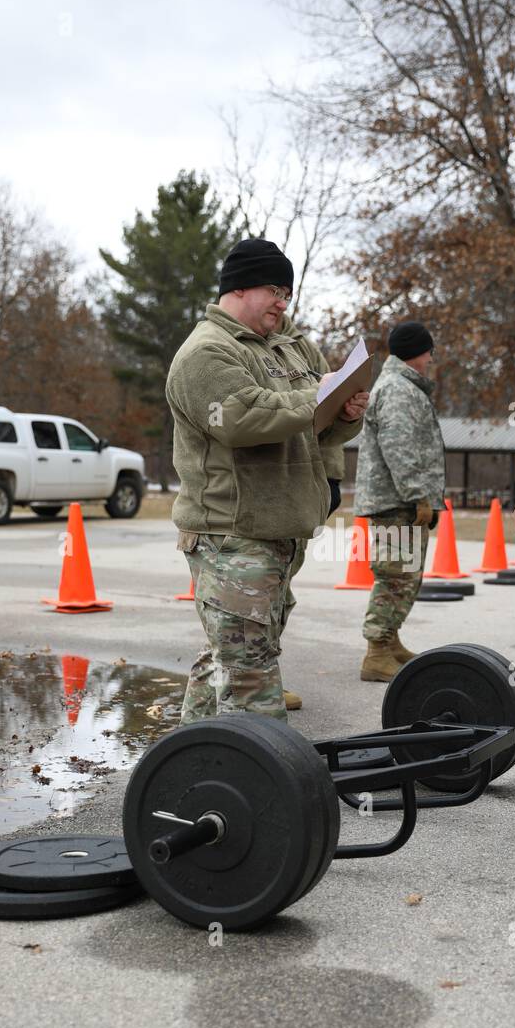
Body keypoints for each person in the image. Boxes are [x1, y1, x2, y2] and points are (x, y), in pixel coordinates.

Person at [166, 237, 367, 722]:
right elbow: (240, 419)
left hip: (280, 531)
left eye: (288, 293)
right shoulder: (205, 354)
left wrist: (346, 412)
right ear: (239, 287)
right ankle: (254, 789)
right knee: (251, 680)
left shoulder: (294, 347)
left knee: (230, 659)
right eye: (275, 289)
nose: (283, 301)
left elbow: (317, 432)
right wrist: (317, 396)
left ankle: (186, 761)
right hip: (232, 536)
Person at [354, 321, 445, 681]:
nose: (431, 359)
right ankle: (376, 652)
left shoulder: (404, 387)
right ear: (416, 353)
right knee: (395, 577)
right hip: (396, 504)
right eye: (428, 352)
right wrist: (417, 495)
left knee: (406, 576)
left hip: (400, 502)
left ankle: (389, 641)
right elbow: (399, 446)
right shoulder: (398, 389)